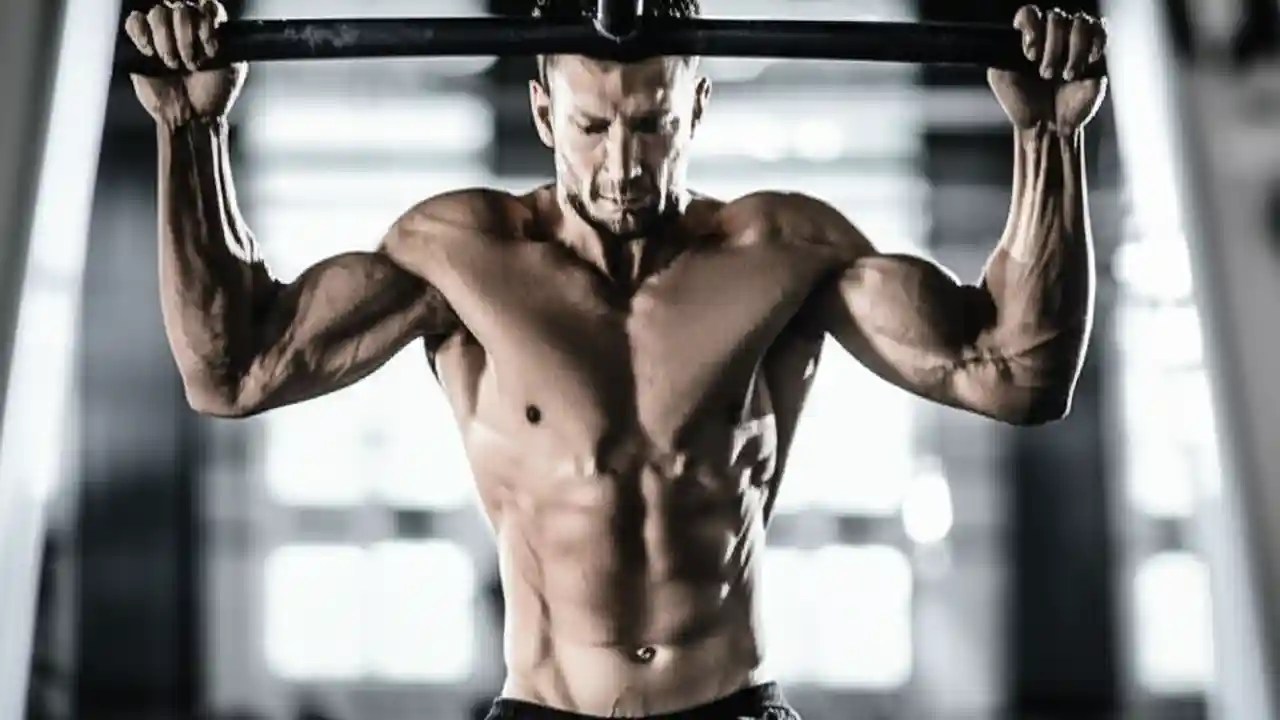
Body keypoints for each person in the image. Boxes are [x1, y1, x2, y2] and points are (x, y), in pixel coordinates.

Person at [123, 1, 1108, 717]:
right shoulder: (463, 257)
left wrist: (1045, 138)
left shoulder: (781, 253)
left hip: (730, 706)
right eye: (592, 127)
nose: (622, 165)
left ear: (699, 107)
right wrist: (189, 127)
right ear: (545, 113)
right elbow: (234, 370)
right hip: (543, 707)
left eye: (651, 126)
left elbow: (1013, 374)